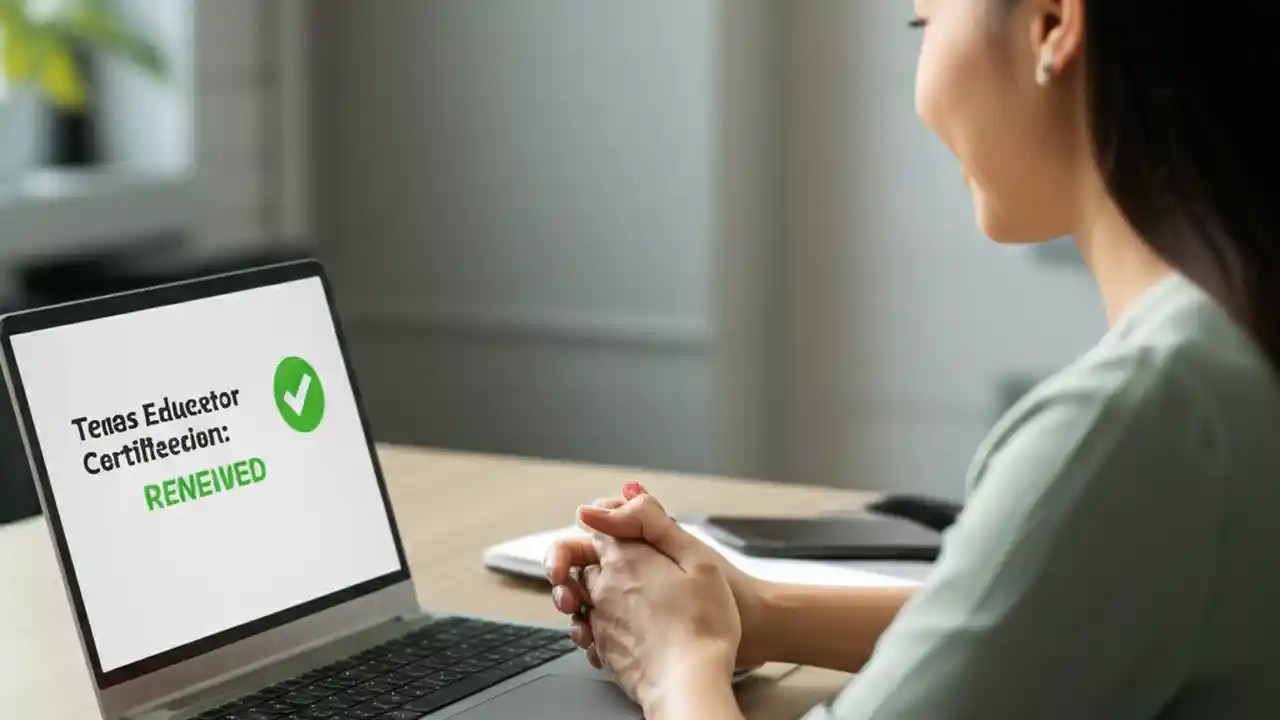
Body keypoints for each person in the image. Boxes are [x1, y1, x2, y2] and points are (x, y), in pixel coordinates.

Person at [545, 0, 1280, 718]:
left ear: (1053, 24)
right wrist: (757, 611)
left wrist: (676, 666)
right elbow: (1069, 616)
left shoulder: (1140, 420)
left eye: (923, 23)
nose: (921, 98)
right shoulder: (1223, 357)